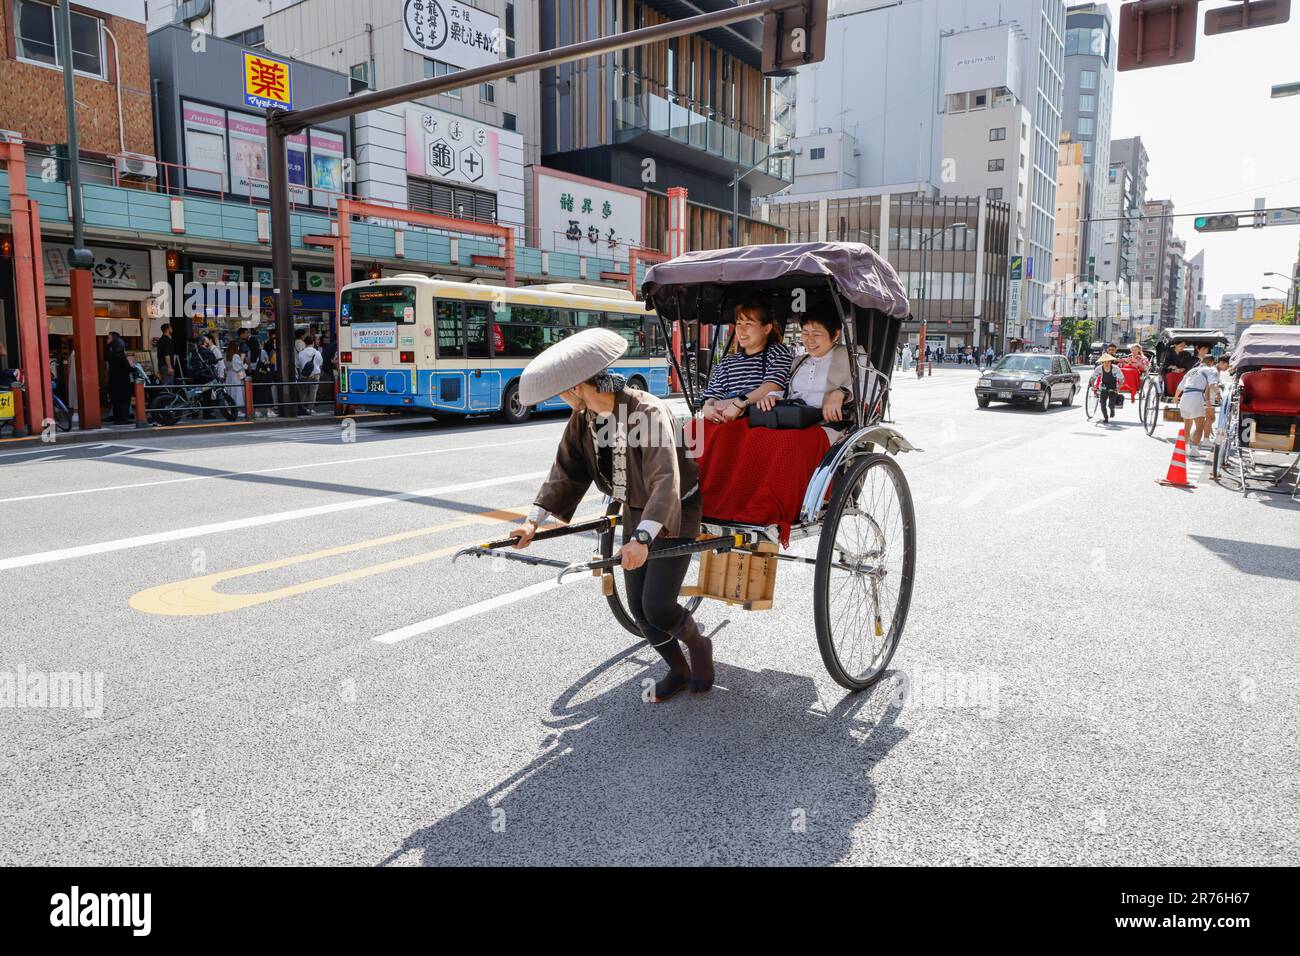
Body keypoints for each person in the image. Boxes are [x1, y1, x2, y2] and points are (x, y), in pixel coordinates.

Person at [509, 328, 709, 702]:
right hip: (635, 511)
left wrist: (644, 538)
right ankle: (678, 670)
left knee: (658, 606)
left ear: (578, 387)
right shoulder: (585, 418)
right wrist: (533, 520)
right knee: (638, 609)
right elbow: (565, 470)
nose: (564, 399)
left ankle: (699, 648)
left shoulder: (646, 410)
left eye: (564, 392)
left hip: (673, 511)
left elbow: (666, 479)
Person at [754, 313, 855, 438]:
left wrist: (841, 393)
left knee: (787, 441)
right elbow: (787, 391)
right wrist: (773, 396)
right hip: (794, 419)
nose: (809, 340)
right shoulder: (799, 361)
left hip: (828, 425)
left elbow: (871, 387)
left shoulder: (852, 357)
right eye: (805, 333)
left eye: (817, 334)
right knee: (754, 433)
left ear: (835, 335)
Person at [699, 296, 792, 424]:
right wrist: (707, 407)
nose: (741, 330)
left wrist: (740, 403)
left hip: (759, 420)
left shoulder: (777, 352)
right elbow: (714, 394)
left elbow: (772, 386)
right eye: (739, 324)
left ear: (767, 328)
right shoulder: (727, 362)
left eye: (748, 324)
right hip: (723, 417)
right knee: (695, 429)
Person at [1173, 351, 1218, 452]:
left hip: (1185, 397)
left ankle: (1186, 448)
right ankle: (1194, 450)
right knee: (1199, 426)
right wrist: (1219, 394)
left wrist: (1176, 397)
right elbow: (1212, 385)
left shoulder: (1192, 370)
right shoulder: (1209, 369)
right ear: (1211, 362)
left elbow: (1180, 386)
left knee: (1187, 426)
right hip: (1196, 397)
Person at [105, 331, 133, 424]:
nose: (106, 340)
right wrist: (133, 368)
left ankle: (117, 419)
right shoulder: (120, 356)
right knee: (124, 400)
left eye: (108, 338)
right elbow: (127, 368)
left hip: (113, 381)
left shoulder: (111, 353)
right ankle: (123, 419)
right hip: (123, 382)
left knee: (116, 401)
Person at [297, 333, 323, 414]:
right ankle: (310, 409)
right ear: (313, 343)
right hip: (315, 375)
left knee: (303, 392)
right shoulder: (317, 353)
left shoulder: (301, 353)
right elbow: (320, 362)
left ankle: (301, 408)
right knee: (313, 392)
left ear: (305, 343)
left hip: (304, 375)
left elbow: (298, 364)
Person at [1096, 352, 1124, 425]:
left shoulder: (1116, 368)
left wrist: (1119, 387)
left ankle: (1112, 409)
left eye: (1108, 361)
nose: (1107, 363)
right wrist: (1093, 386)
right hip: (1103, 387)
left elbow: (1121, 379)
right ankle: (1106, 418)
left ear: (1111, 361)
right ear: (1102, 362)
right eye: (1105, 362)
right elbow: (1093, 378)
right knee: (1102, 404)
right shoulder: (1099, 368)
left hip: (1113, 388)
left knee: (1110, 404)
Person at [223, 342, 245, 413]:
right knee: (237, 393)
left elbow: (226, 367)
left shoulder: (226, 355)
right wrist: (243, 360)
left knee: (230, 392)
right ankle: (238, 411)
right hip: (236, 375)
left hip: (229, 375)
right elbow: (239, 368)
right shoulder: (236, 356)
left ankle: (230, 410)